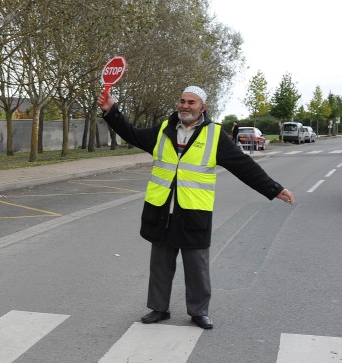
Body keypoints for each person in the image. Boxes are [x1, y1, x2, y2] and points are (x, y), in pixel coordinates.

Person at [98, 86, 294, 329]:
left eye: (191, 102)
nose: (185, 105)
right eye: (182, 101)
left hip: (194, 212)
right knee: (160, 263)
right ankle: (159, 308)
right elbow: (132, 133)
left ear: (203, 107)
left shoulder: (215, 135)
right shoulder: (163, 130)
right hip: (161, 210)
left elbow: (243, 166)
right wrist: (111, 111)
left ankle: (199, 311)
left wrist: (274, 189)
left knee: (196, 266)